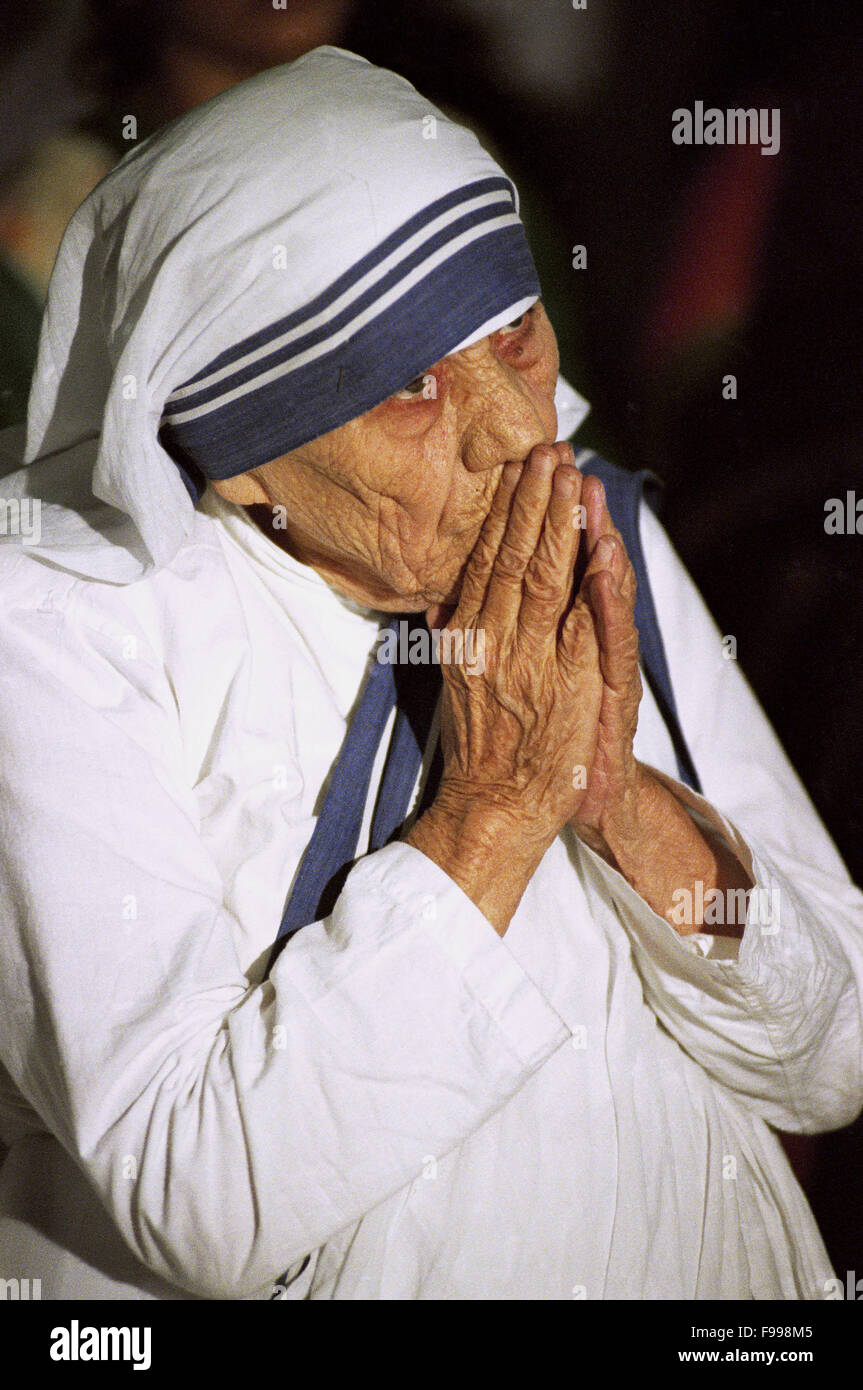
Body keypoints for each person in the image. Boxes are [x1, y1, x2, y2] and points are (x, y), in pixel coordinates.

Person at [0, 47, 860, 1302]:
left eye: (514, 334)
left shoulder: (583, 514)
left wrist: (612, 793)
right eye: (412, 389)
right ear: (241, 458)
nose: (523, 431)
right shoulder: (55, 622)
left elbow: (831, 1053)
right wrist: (497, 811)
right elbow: (204, 1198)